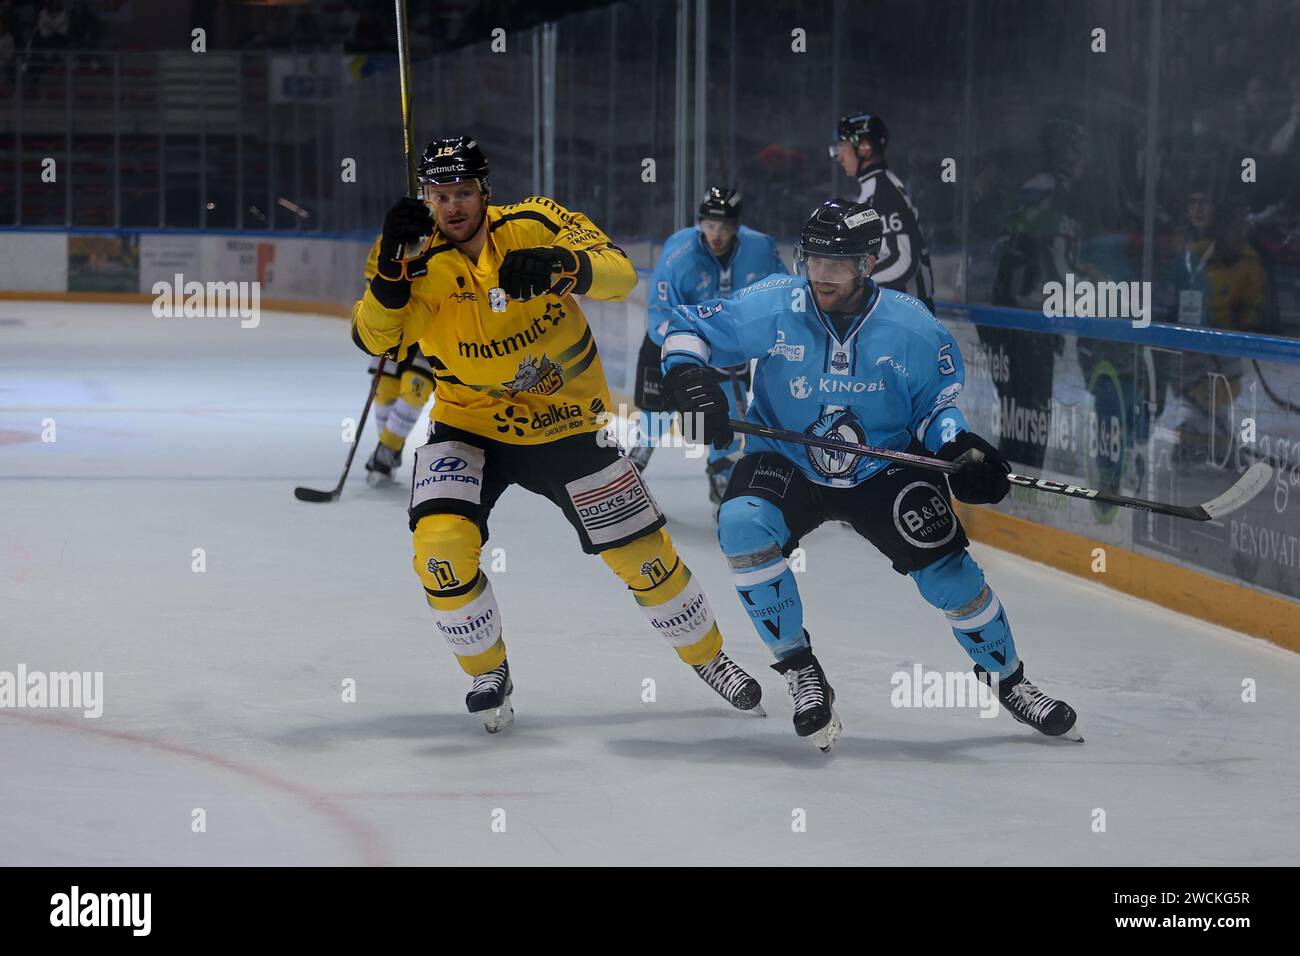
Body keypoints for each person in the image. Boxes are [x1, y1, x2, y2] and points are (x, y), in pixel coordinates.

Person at [349, 136, 762, 733]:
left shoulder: (534, 222)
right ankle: (488, 672)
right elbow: (375, 338)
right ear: (426, 197)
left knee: (643, 556)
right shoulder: (412, 254)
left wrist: (564, 268)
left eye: (464, 193)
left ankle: (712, 658)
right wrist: (391, 269)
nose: (454, 207)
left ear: (485, 193)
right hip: (469, 426)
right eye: (440, 195)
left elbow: (620, 276)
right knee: (439, 547)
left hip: (567, 423)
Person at [660, 199, 1082, 752]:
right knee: (741, 526)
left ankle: (1011, 682)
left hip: (884, 468)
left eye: (837, 263)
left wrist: (959, 448)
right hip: (786, 461)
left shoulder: (911, 326)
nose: (820, 274)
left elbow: (936, 411)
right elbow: (687, 329)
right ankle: (799, 669)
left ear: (870, 261)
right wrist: (689, 378)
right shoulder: (776, 305)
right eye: (812, 260)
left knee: (949, 577)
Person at [631, 187, 786, 509]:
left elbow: (785, 296)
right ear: (700, 223)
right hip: (671, 345)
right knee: (657, 412)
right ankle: (638, 459)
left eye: (725, 227)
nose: (717, 235)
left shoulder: (760, 249)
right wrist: (688, 357)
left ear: (737, 226)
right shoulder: (679, 253)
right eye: (710, 226)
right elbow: (660, 312)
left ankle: (721, 473)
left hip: (728, 351)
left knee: (725, 416)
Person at [830, 112, 934, 310]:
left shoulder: (883, 193)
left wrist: (850, 282)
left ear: (865, 148)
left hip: (907, 316)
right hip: (903, 312)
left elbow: (903, 261)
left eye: (842, 147)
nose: (839, 156)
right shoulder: (876, 189)